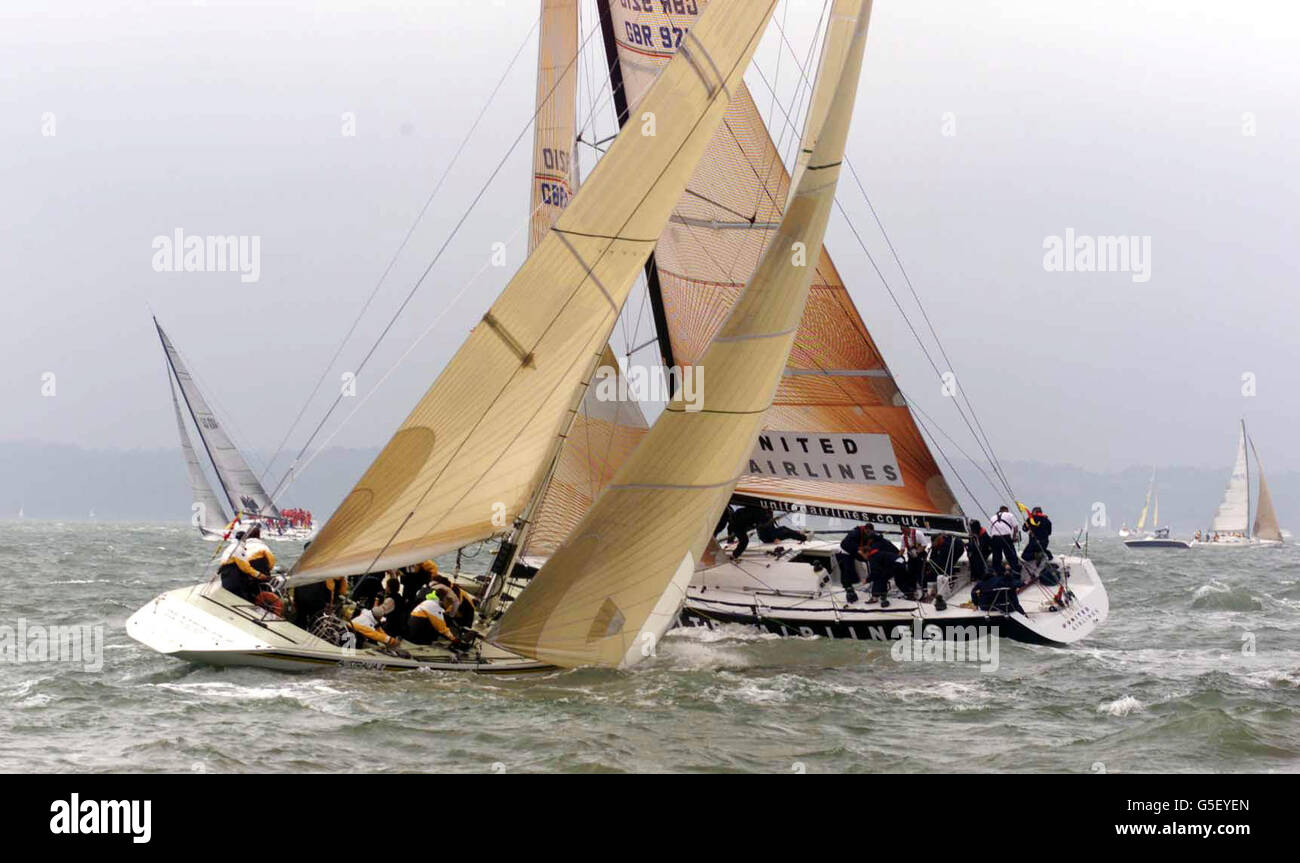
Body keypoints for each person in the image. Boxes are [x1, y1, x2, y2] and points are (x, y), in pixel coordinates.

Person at [988, 506, 1021, 577]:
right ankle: (1015, 573)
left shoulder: (992, 517)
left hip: (995, 538)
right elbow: (1015, 527)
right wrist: (1014, 537)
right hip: (1006, 537)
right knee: (1011, 556)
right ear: (1006, 510)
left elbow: (991, 531)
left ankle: (997, 574)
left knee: (996, 557)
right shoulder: (1009, 515)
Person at [966, 519, 991, 584]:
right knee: (971, 557)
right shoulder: (974, 534)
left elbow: (981, 546)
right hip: (977, 549)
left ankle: (980, 576)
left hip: (986, 550)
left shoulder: (983, 534)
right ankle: (973, 575)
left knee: (978, 559)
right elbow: (972, 544)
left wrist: (972, 547)